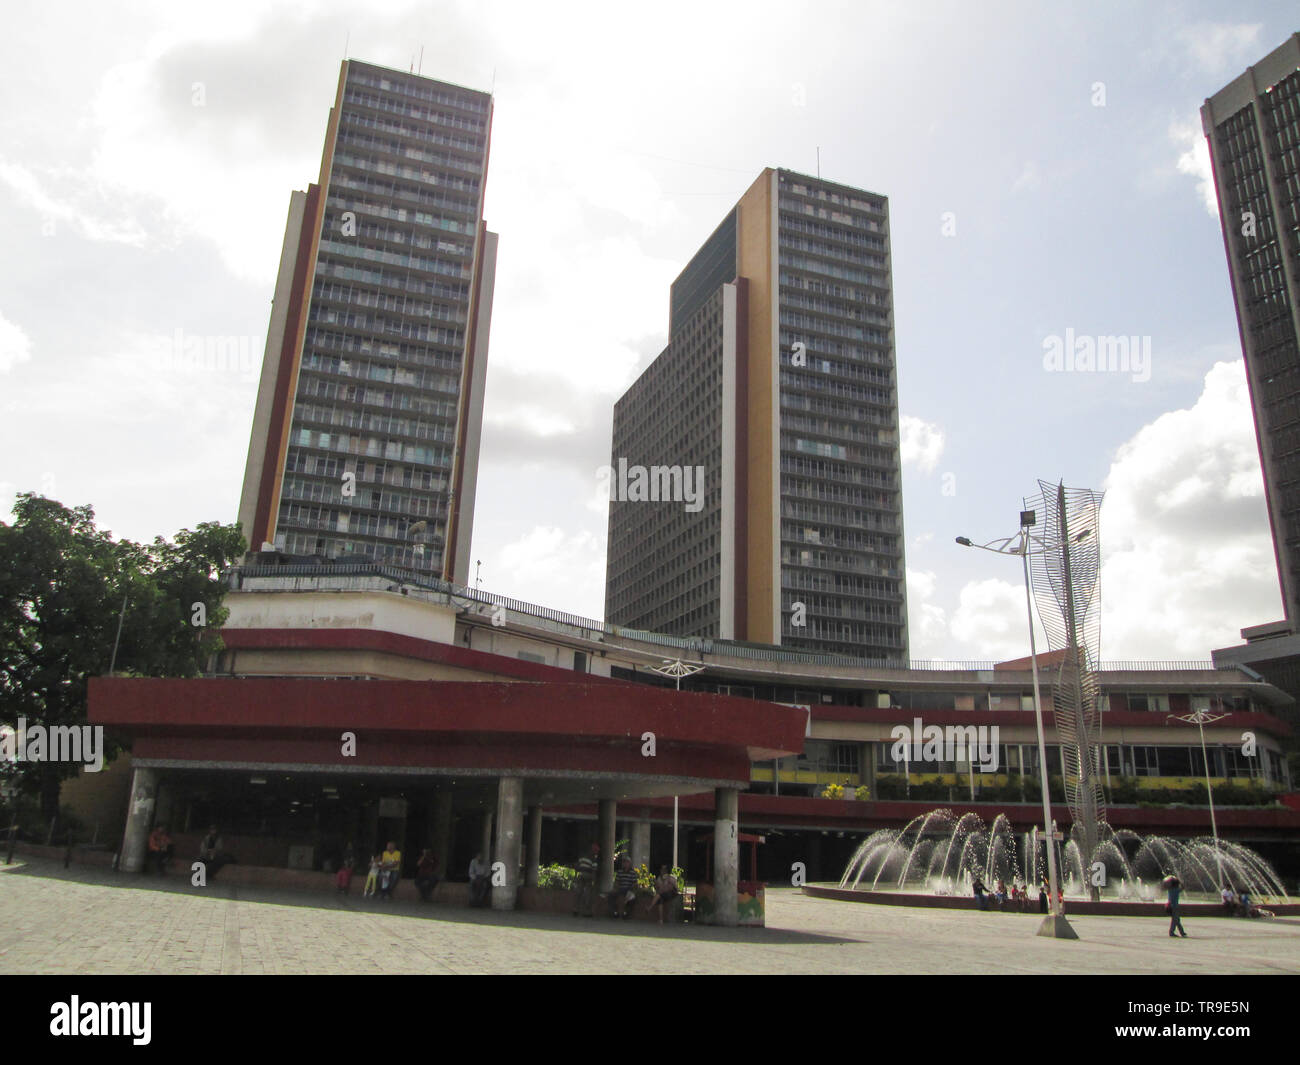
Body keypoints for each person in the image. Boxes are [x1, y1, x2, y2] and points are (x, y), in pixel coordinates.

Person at [573, 842, 599, 917]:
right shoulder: (593, 858)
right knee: (587, 893)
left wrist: (576, 876)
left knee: (579, 892)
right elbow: (594, 870)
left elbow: (577, 866)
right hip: (588, 876)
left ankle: (575, 909)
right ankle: (587, 912)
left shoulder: (582, 856)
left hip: (580, 875)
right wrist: (594, 880)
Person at [1163, 873, 1187, 938]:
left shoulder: (1170, 890)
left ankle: (1182, 932)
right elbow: (1183, 888)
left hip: (1170, 906)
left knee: (1177, 920)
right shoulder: (1176, 890)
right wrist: (1181, 882)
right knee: (1175, 920)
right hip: (1174, 907)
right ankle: (1172, 932)